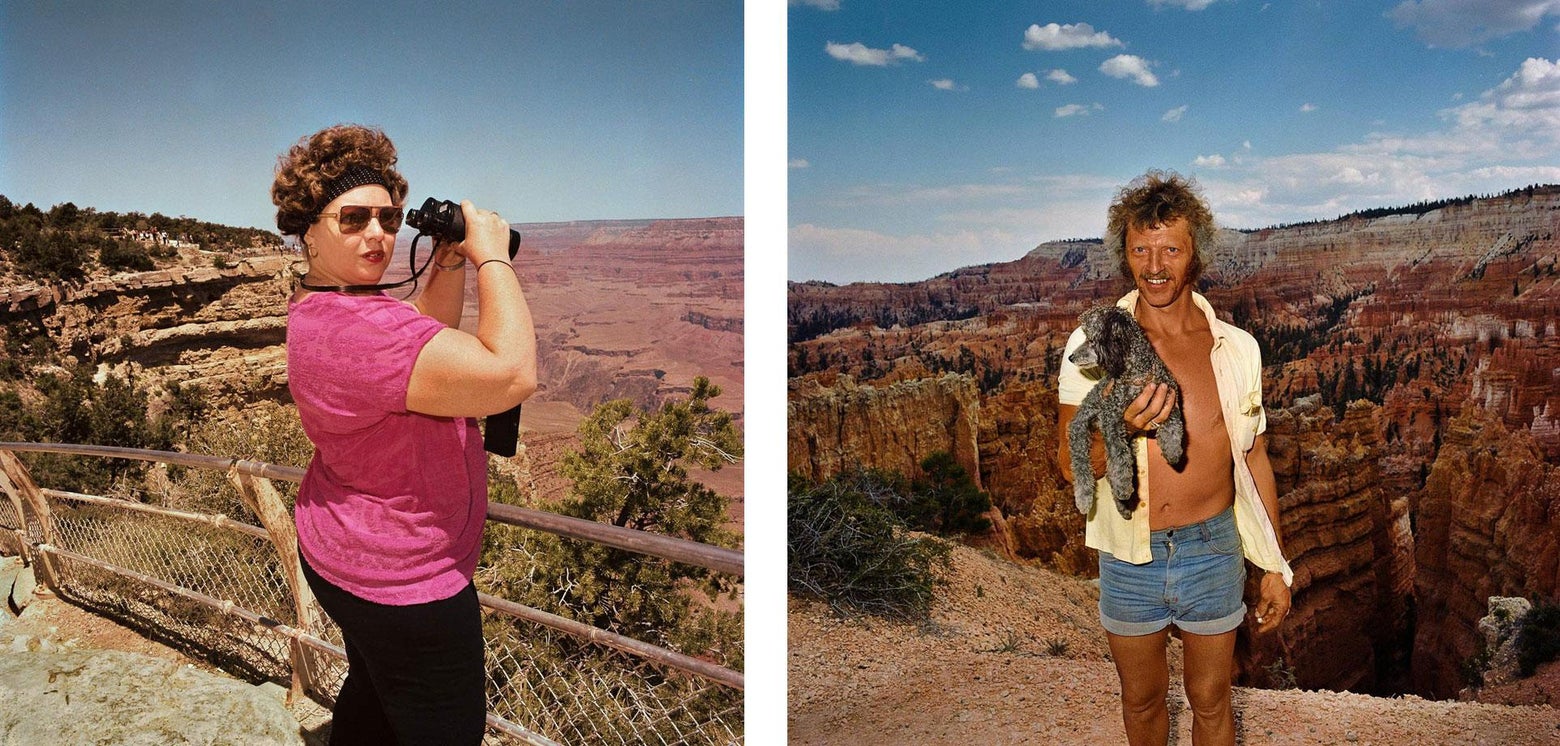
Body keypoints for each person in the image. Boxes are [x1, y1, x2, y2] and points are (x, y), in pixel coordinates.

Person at [272, 124, 537, 745]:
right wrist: (491, 256)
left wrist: (447, 258)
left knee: (374, 694)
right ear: (308, 230)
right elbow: (511, 375)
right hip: (405, 582)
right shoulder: (360, 332)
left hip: (344, 550)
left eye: (389, 218)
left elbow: (421, 334)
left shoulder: (327, 305)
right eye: (353, 218)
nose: (378, 235)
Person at [1056, 170, 1292, 746]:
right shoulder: (1092, 348)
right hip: (1128, 555)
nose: (1154, 266)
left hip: (1213, 548)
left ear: (1195, 256)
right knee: (1141, 701)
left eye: (1170, 249)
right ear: (1124, 255)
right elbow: (1069, 464)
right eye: (1141, 249)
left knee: (1212, 703)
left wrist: (1274, 565)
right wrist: (1120, 427)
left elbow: (1254, 459)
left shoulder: (1236, 349)